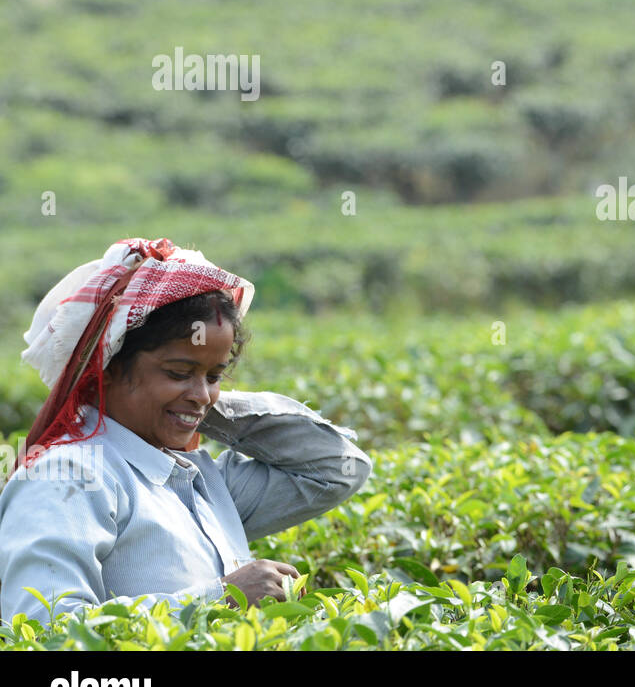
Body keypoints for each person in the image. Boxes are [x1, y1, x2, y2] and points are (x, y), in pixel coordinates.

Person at [0, 238, 372, 622]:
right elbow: (43, 626)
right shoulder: (69, 476)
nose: (203, 393)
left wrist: (194, 403)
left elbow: (336, 468)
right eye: (178, 372)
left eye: (215, 374)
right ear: (107, 368)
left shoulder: (202, 481)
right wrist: (219, 598)